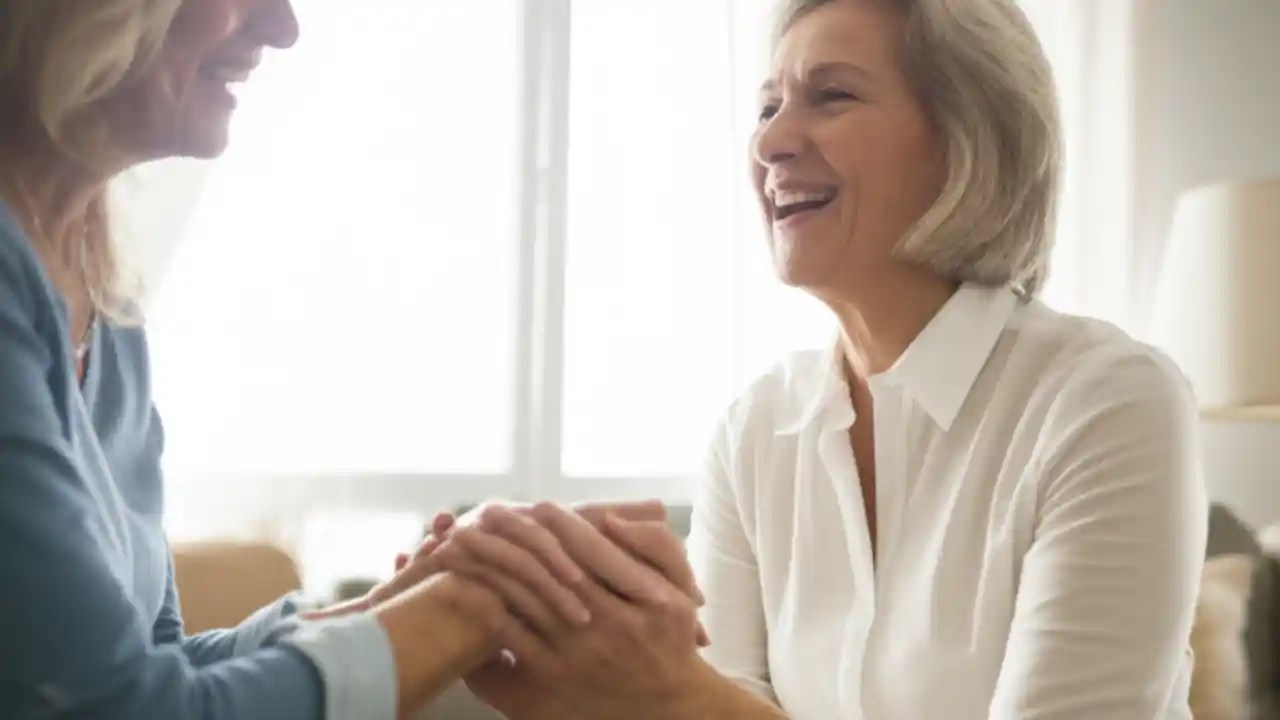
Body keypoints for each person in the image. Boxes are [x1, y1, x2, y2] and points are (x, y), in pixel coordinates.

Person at [414, 1, 1208, 718]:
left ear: (970, 139)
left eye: (832, 95)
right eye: (768, 106)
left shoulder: (1108, 402)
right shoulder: (755, 430)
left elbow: (703, 704)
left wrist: (671, 688)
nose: (769, 141)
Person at [0, 1, 692, 718]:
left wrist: (415, 593)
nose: (281, 26)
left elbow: (153, 663)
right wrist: (479, 600)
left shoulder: (104, 299)